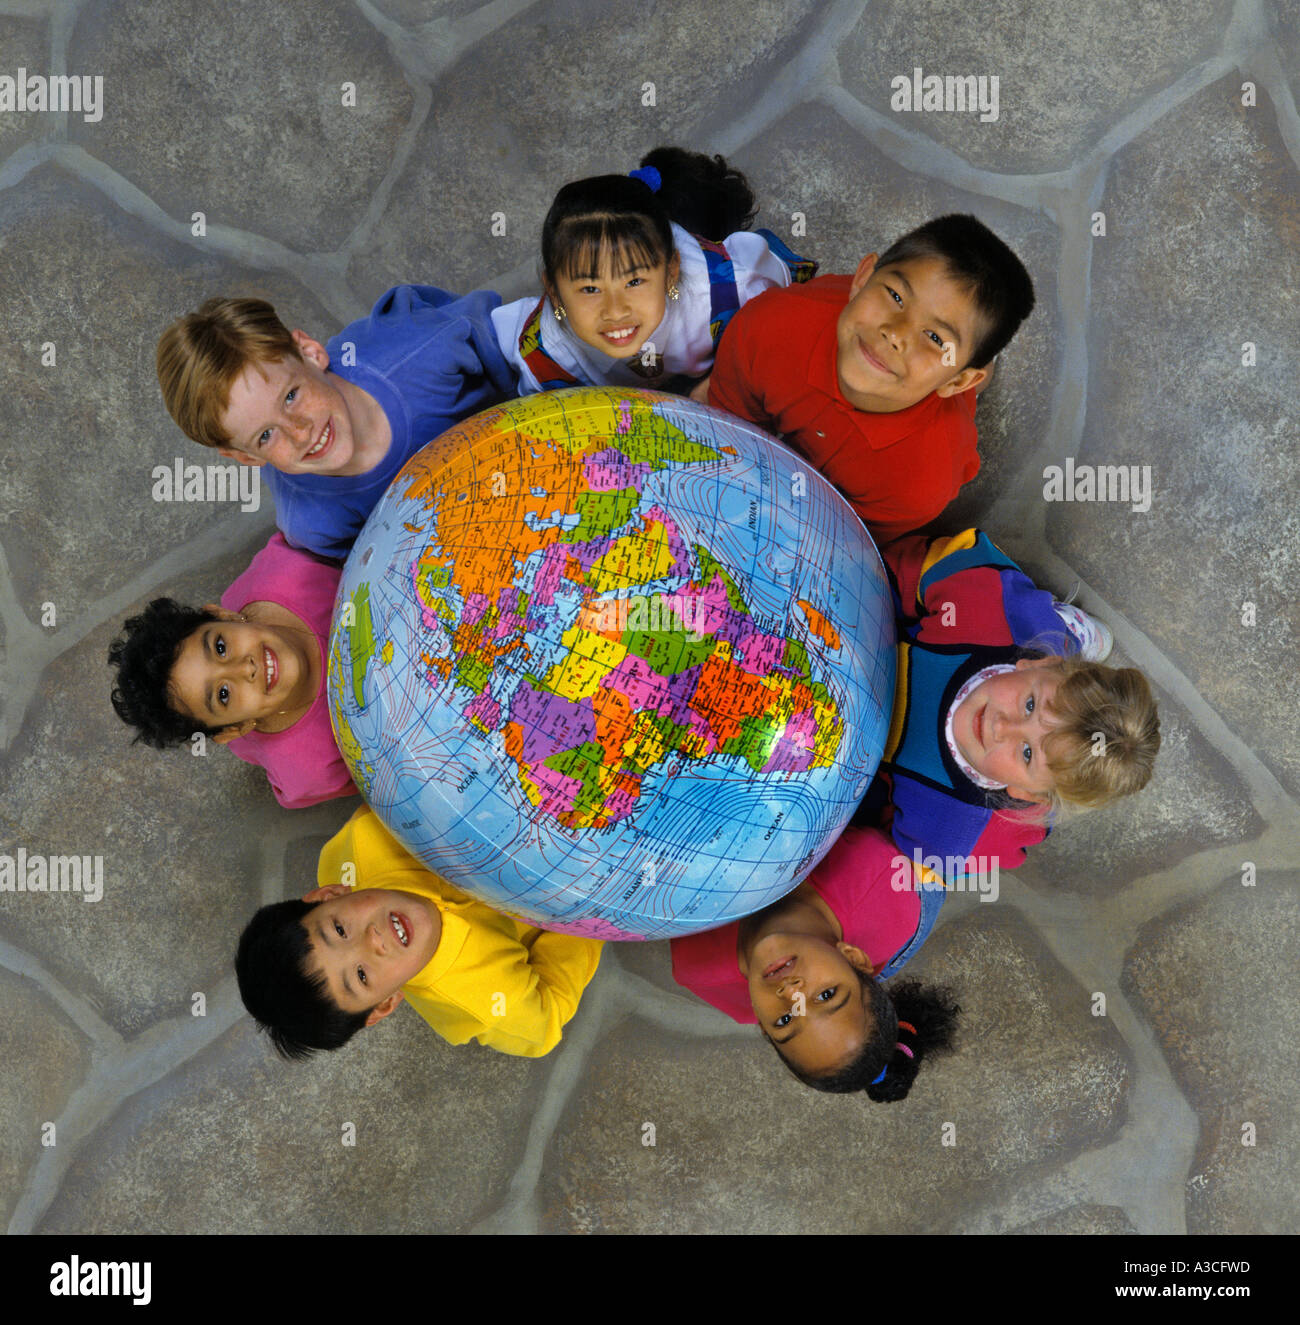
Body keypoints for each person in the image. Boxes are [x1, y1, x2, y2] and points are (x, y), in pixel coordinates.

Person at [857, 528, 1161, 923]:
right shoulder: (987, 601)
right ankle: (1068, 632)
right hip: (1031, 632)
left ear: (1023, 793)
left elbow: (880, 850)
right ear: (1037, 663)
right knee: (1045, 628)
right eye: (1030, 705)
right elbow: (934, 564)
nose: (1003, 727)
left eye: (1027, 752)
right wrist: (872, 595)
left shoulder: (954, 836)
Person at [707, 214, 1035, 542]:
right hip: (825, 311)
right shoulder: (767, 328)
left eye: (935, 338)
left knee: (975, 377)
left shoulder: (925, 477)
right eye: (895, 296)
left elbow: (848, 542)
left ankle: (981, 366)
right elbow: (729, 432)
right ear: (862, 278)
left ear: (957, 382)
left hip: (937, 400)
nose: (896, 334)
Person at [156, 284, 517, 559]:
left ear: (310, 353)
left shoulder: (423, 352)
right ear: (246, 457)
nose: (299, 433)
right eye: (266, 435)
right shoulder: (313, 522)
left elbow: (524, 337)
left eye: (291, 396)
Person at [236, 806, 603, 1059]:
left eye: (340, 928)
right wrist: (581, 904)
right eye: (361, 976)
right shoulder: (487, 1003)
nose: (373, 941)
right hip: (576, 882)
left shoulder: (367, 839)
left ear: (329, 893)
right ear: (385, 1003)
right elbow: (545, 1022)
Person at [492, 146, 816, 396]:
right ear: (554, 291)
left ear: (671, 272)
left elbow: (781, 338)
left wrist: (714, 387)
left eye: (634, 281)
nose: (615, 310)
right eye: (590, 288)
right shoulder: (547, 355)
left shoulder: (728, 294)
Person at [671, 825, 959, 1099]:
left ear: (761, 1024)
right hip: (897, 907)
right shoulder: (872, 869)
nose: (792, 993)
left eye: (784, 1020)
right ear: (852, 956)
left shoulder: (698, 963)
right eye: (826, 995)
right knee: (942, 854)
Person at [107, 533, 355, 809]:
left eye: (221, 647)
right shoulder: (312, 769)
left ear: (224, 615)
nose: (245, 668)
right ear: (236, 729)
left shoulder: (290, 570)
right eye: (223, 693)